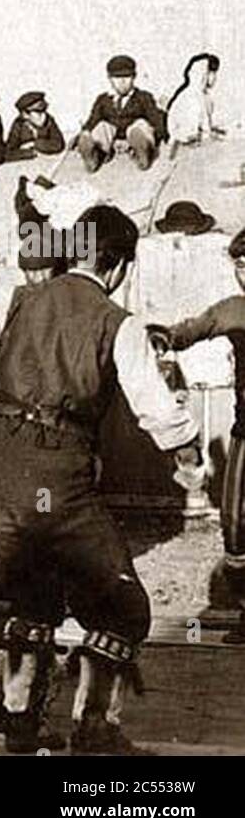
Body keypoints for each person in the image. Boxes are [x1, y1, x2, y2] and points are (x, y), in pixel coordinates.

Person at [0, 205, 201, 754]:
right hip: (54, 471)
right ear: (120, 266)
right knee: (123, 609)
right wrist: (188, 452)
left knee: (33, 600)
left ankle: (19, 722)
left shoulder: (14, 299)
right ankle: (94, 729)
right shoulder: (116, 321)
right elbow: (158, 412)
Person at [149, 228, 245, 643]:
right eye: (241, 265)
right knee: (236, 526)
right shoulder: (237, 309)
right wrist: (162, 336)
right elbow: (194, 328)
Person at [77, 55, 166, 173]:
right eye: (117, 78)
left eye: (127, 77)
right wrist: (85, 134)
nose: (122, 82)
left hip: (134, 141)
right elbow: (92, 122)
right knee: (102, 126)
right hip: (112, 141)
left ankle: (142, 153)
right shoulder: (103, 100)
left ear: (134, 77)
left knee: (141, 124)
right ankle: (93, 156)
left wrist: (159, 137)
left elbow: (156, 122)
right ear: (109, 79)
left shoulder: (144, 97)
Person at [167, 53, 223, 146]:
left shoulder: (206, 97)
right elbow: (201, 128)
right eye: (212, 73)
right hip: (183, 140)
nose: (214, 77)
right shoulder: (191, 96)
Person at [5, 91, 66, 159]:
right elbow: (9, 152)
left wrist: (34, 144)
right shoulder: (19, 125)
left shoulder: (49, 121)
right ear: (25, 115)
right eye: (38, 113)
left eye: (44, 111)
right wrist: (31, 153)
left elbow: (59, 144)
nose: (43, 115)